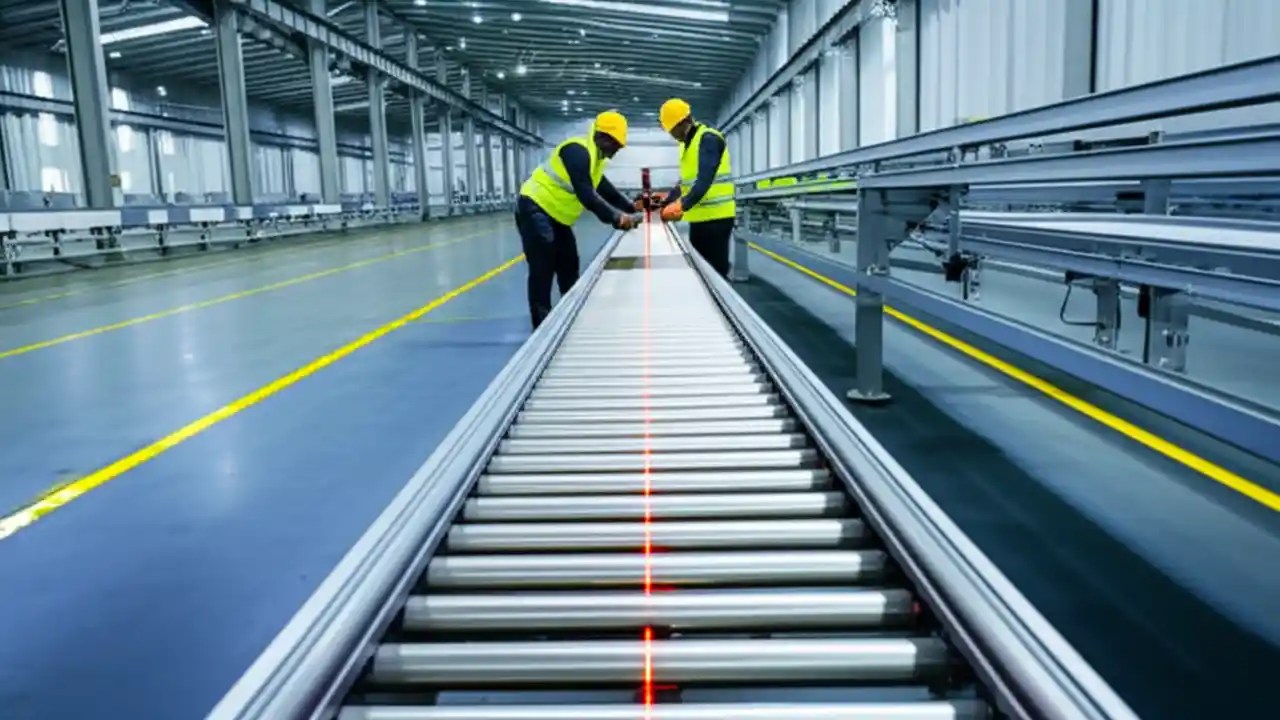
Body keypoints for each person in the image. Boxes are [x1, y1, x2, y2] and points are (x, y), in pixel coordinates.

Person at [516, 109, 637, 329]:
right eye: (615, 145)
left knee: (569, 264)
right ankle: (541, 326)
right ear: (602, 137)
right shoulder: (577, 151)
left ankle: (569, 318)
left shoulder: (595, 158)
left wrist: (631, 206)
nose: (617, 150)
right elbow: (586, 194)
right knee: (543, 267)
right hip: (536, 208)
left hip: (558, 216)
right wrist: (616, 218)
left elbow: (603, 188)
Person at [656, 98, 736, 278]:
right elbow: (686, 182)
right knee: (700, 269)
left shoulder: (709, 139)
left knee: (715, 272)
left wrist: (680, 205)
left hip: (717, 218)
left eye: (673, 130)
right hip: (699, 218)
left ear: (684, 122)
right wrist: (667, 200)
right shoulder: (687, 144)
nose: (672, 135)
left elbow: (704, 181)